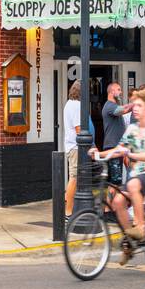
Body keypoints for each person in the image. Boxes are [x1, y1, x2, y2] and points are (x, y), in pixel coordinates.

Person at [95, 88, 145, 263]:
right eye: (134, 105)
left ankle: (141, 227)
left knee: (133, 185)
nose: (134, 108)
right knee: (118, 201)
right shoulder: (132, 128)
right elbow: (119, 149)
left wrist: (130, 154)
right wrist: (98, 154)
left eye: (139, 105)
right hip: (137, 173)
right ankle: (130, 242)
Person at [63, 81, 86, 217]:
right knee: (74, 178)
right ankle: (68, 211)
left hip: (71, 146)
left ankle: (71, 207)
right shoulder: (77, 106)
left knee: (75, 177)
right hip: (76, 147)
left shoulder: (68, 104)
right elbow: (79, 129)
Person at [100, 82, 130, 159]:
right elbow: (124, 110)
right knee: (115, 171)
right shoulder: (109, 106)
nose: (121, 92)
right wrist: (137, 104)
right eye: (119, 90)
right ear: (112, 92)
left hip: (117, 147)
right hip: (112, 147)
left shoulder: (114, 105)